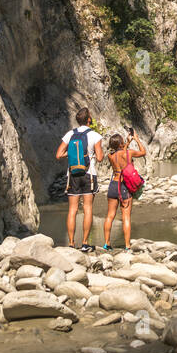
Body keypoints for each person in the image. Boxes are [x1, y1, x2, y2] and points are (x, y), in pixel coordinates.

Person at [54, 107, 103, 252]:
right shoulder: (95, 135)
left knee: (72, 210)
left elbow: (58, 155)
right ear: (89, 120)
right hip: (89, 174)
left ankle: (70, 243)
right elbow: (99, 158)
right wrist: (92, 154)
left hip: (73, 174)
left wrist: (71, 154)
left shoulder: (70, 134)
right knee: (87, 208)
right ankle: (85, 243)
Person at [102, 129, 147, 251]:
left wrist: (125, 143)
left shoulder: (110, 156)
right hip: (124, 187)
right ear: (121, 143)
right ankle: (127, 246)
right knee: (126, 217)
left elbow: (120, 154)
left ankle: (106, 244)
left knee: (110, 216)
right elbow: (143, 152)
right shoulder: (129, 153)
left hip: (113, 185)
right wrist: (136, 139)